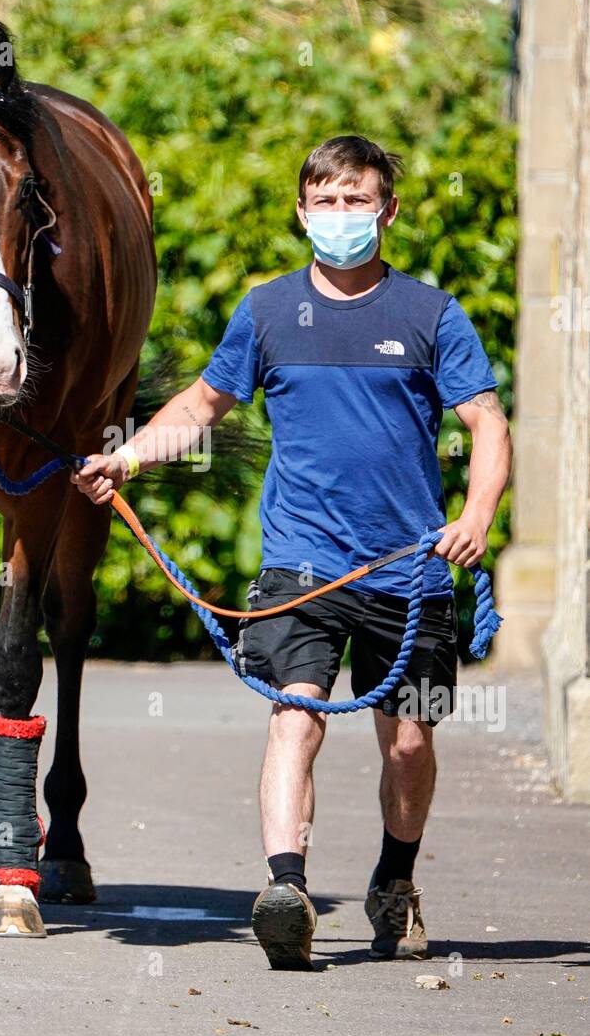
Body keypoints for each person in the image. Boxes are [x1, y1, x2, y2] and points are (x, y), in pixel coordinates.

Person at [70, 134, 512, 970]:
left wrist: (478, 514)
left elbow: (487, 424)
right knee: (293, 713)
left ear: (387, 210)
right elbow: (201, 408)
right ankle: (286, 891)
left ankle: (395, 880)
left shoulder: (428, 314)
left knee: (410, 743)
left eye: (357, 200)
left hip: (409, 570)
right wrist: (124, 458)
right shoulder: (269, 312)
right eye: (325, 201)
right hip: (301, 562)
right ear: (301, 211)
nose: (340, 215)